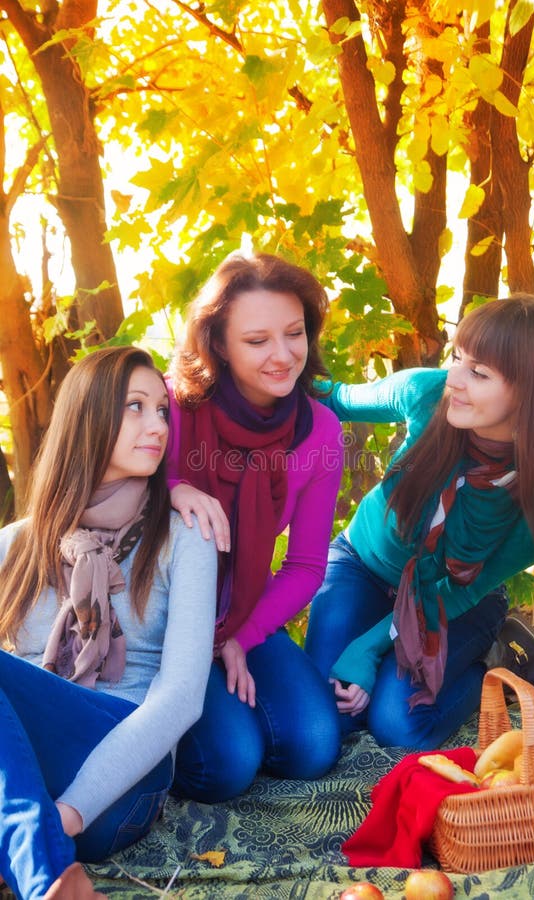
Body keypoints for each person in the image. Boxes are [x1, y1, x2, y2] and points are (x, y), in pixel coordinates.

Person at [305, 294, 534, 751]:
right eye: (458, 357)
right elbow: (336, 398)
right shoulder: (427, 393)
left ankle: (501, 666)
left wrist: (369, 647)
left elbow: (457, 590)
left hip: (453, 600)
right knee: (326, 719)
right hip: (363, 564)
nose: (454, 379)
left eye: (478, 373)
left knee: (398, 724)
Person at [0, 347, 217, 900]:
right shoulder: (17, 545)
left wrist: (70, 814)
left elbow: (181, 699)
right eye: (136, 407)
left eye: (162, 410)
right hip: (29, 772)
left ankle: (39, 861)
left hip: (121, 784)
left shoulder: (184, 536)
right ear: (88, 416)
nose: (158, 426)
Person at [165, 251, 344, 802]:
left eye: (294, 333)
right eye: (257, 340)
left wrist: (243, 637)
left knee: (313, 745)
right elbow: (109, 493)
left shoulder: (320, 431)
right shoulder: (170, 406)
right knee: (228, 766)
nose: (283, 355)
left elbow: (307, 565)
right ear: (217, 342)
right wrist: (173, 487)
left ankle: (224, 692)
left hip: (240, 603)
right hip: (162, 613)